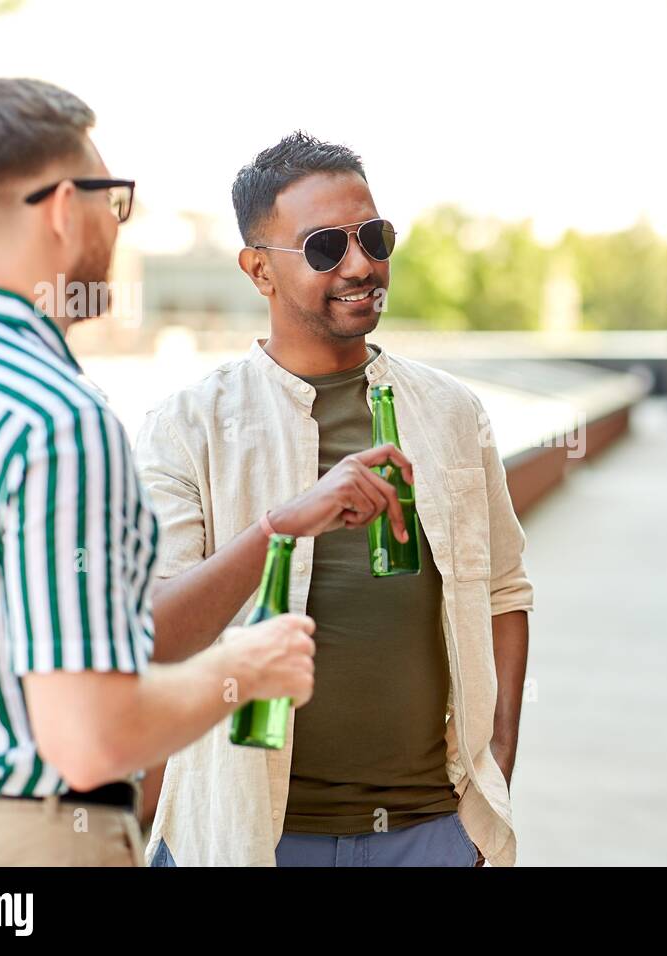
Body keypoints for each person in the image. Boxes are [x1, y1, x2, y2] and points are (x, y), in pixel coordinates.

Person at [0, 78, 318, 865]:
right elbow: (91, 737)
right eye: (112, 200)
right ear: (59, 207)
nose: (117, 227)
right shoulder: (60, 419)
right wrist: (243, 666)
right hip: (30, 846)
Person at [137, 133, 532, 867]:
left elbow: (506, 591)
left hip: (432, 835)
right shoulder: (185, 427)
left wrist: (496, 770)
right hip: (246, 839)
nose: (360, 265)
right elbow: (156, 630)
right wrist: (282, 528)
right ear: (259, 269)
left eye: (373, 237)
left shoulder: (453, 412)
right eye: (324, 247)